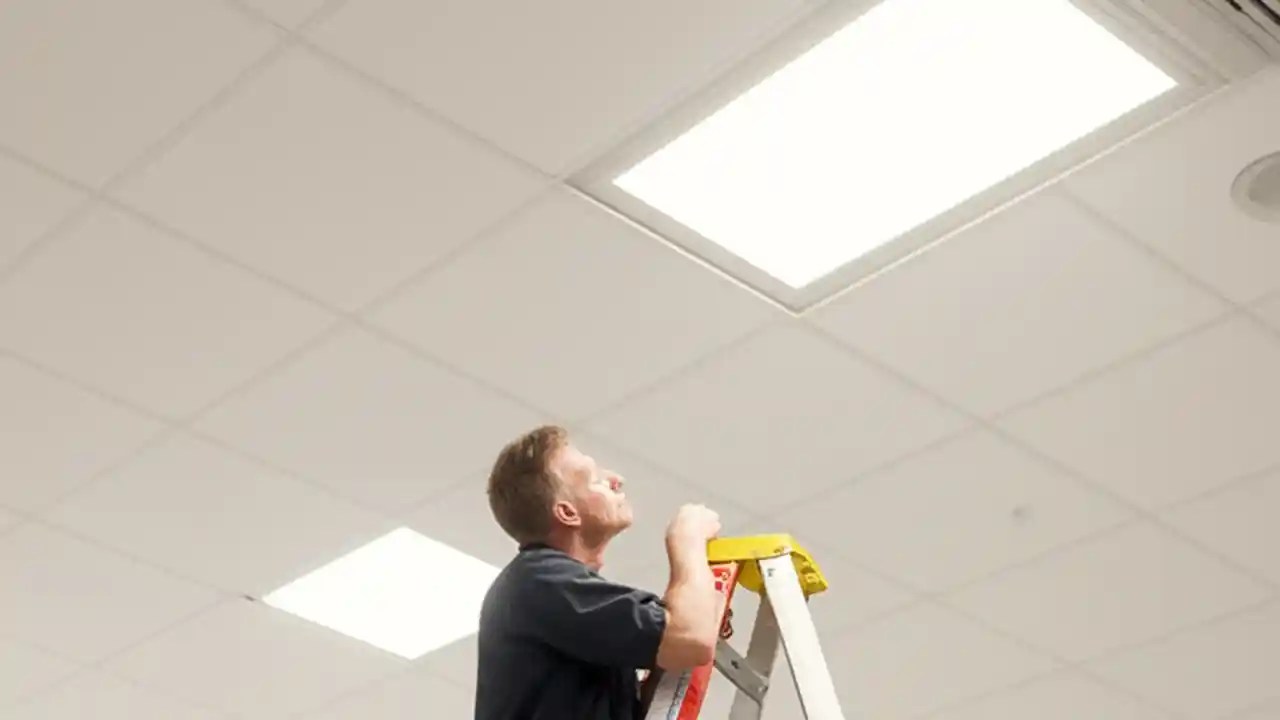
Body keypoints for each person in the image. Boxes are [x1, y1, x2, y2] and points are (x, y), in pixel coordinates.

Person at [474, 424, 723, 720]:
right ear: (567, 513)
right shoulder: (539, 581)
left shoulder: (558, 600)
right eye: (595, 480)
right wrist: (687, 539)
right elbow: (690, 639)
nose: (617, 480)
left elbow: (679, 649)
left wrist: (702, 607)